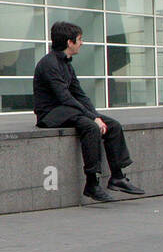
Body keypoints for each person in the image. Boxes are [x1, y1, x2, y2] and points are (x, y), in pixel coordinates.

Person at [33, 21, 144, 203]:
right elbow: (65, 98)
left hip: (67, 110)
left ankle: (117, 177)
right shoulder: (49, 64)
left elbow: (79, 94)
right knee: (91, 127)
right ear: (70, 42)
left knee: (112, 125)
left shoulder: (66, 64)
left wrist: (97, 115)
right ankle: (92, 184)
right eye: (79, 39)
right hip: (51, 114)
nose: (82, 43)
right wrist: (93, 118)